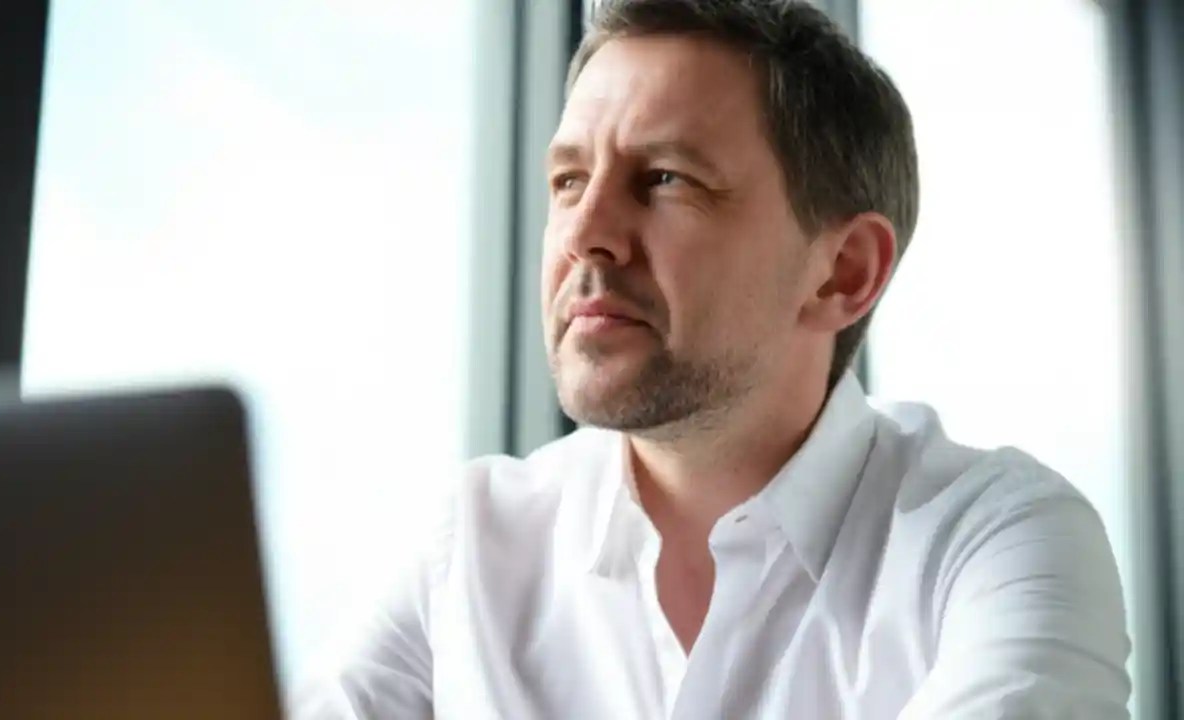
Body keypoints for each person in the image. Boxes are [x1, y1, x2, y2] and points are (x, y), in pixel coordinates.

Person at [307, 0, 1131, 717]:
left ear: (843, 273)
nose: (585, 232)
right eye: (567, 181)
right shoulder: (473, 549)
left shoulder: (995, 543)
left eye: (665, 179)